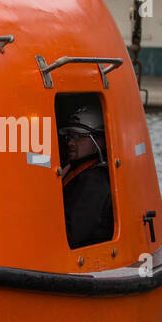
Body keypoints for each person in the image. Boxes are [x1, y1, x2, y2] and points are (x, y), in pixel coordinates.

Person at [58, 103, 113, 247]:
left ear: (100, 140)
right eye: (69, 137)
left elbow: (73, 234)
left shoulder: (94, 181)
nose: (70, 143)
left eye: (79, 137)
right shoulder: (77, 169)